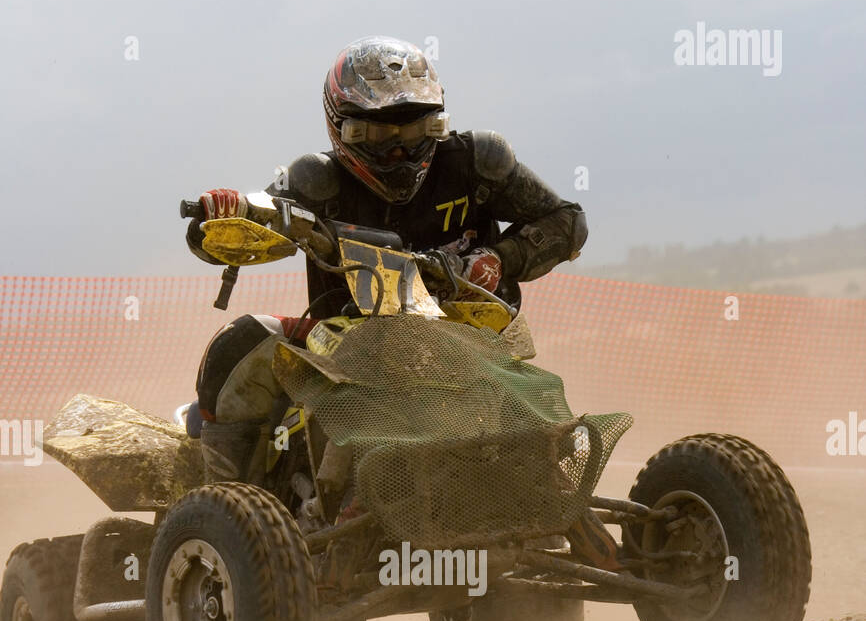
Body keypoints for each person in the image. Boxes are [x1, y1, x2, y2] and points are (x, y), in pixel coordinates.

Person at [185, 35, 589, 486]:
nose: (399, 150)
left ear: (437, 122)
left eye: (415, 132)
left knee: (545, 442)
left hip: (477, 343)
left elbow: (567, 221)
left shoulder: (480, 161)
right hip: (346, 347)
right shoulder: (316, 180)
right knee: (238, 341)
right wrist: (222, 212)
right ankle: (228, 501)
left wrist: (500, 257)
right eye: (380, 134)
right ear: (343, 126)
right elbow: (241, 223)